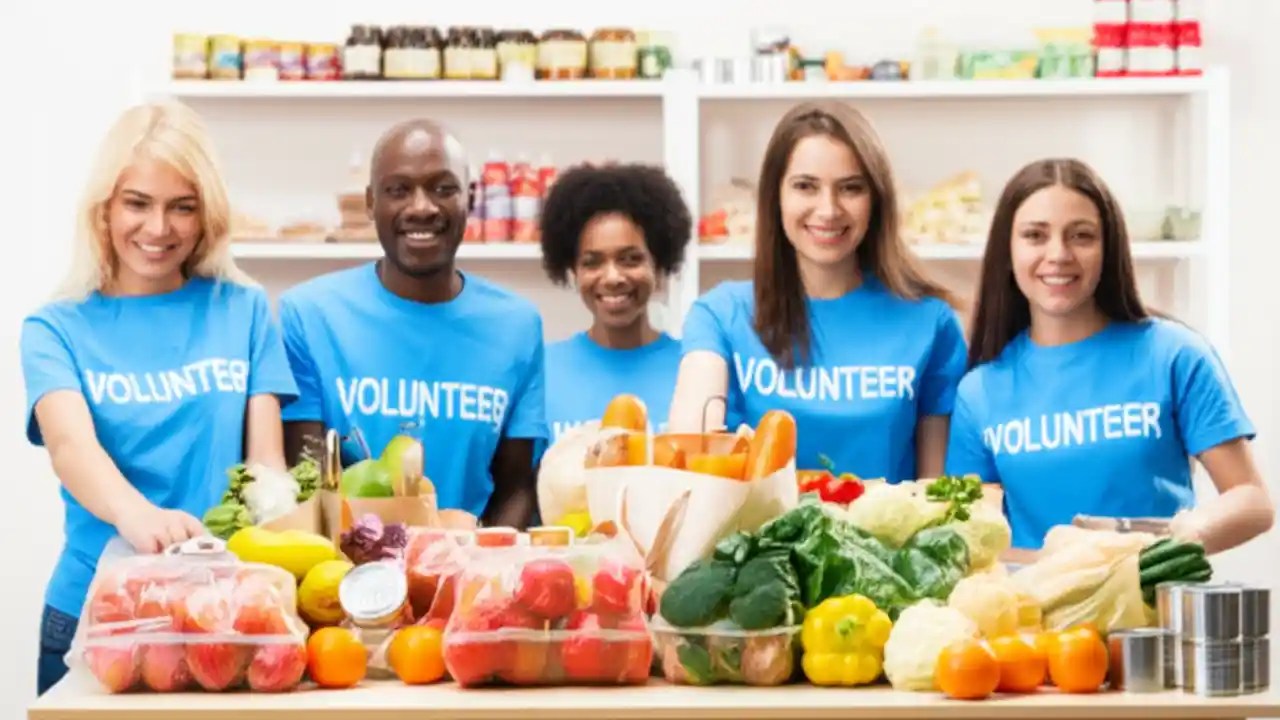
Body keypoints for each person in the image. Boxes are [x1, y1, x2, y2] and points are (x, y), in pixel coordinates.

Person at [21, 102, 298, 695]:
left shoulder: (244, 310)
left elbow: (266, 468)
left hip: (220, 618)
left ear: (207, 216)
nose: (158, 228)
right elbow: (71, 448)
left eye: (182, 207)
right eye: (137, 203)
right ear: (104, 209)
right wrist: (138, 517)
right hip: (96, 613)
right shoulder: (54, 328)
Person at [945, 157, 1273, 556]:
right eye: (1035, 235)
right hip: (1037, 614)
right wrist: (1064, 571)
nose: (1059, 254)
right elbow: (979, 540)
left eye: (1081, 236)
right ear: (1007, 251)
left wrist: (1169, 541)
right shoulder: (979, 391)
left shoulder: (1174, 355)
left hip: (1158, 611)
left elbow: (1251, 500)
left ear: (1109, 247)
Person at [668, 101, 967, 481]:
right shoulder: (720, 315)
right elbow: (686, 454)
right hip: (757, 541)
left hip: (890, 542)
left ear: (876, 200)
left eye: (851, 188)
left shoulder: (930, 321)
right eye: (806, 186)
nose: (828, 209)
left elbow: (934, 496)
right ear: (775, 197)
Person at [279, 119, 545, 530]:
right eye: (398, 190)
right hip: (343, 579)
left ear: (470, 197)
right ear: (370, 202)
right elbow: (308, 481)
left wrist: (478, 571)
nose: (421, 207)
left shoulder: (517, 327)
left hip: (468, 579)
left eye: (443, 188)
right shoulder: (310, 315)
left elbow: (517, 487)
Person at [538, 163, 692, 443]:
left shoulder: (695, 370)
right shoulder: (542, 371)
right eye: (592, 262)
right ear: (573, 271)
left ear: (659, 267)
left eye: (630, 259)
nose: (612, 277)